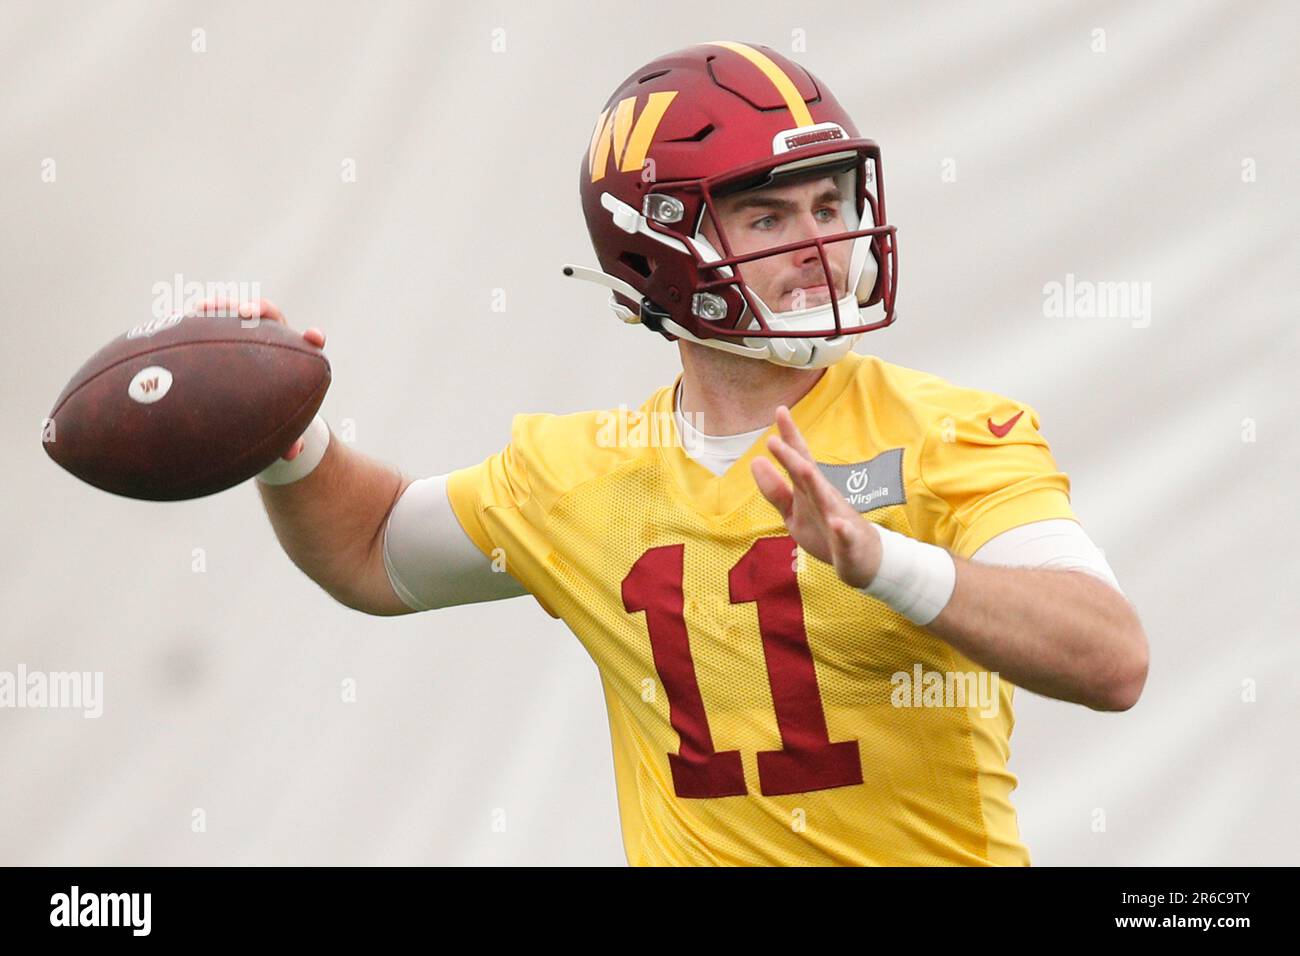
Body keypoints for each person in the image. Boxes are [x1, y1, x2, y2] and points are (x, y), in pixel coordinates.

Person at [230, 41, 1148, 866]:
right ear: (655, 249)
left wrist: (886, 564)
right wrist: (287, 439)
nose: (823, 248)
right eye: (769, 220)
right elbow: (370, 548)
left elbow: (1112, 660)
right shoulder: (582, 472)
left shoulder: (950, 435)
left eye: (830, 204)